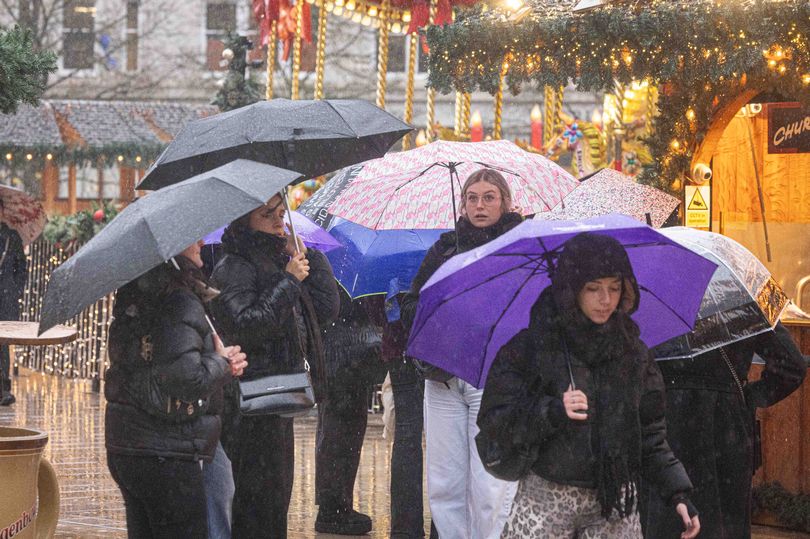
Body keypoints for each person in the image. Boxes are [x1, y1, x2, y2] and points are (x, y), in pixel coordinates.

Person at [478, 232, 700, 539]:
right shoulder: (532, 347)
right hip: (547, 498)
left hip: (615, 502)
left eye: (614, 287)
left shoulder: (633, 353)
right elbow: (497, 419)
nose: (605, 300)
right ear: (571, 291)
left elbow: (649, 433)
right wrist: (552, 411)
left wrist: (677, 494)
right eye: (593, 288)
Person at [401, 168, 522, 539]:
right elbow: (412, 305)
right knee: (445, 483)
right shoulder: (445, 248)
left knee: (490, 484)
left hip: (495, 377)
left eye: (489, 197)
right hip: (445, 376)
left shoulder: (517, 246)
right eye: (472, 197)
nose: (480, 205)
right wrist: (444, 308)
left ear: (504, 202)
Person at [210, 194, 339, 539]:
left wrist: (309, 261)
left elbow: (325, 309)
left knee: (275, 498)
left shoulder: (278, 259)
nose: (278, 222)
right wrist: (289, 281)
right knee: (255, 501)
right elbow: (245, 326)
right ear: (244, 221)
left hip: (278, 395)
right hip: (249, 402)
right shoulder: (234, 266)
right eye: (267, 215)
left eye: (281, 214)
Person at [105, 239, 246, 538]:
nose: (201, 242)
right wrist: (222, 364)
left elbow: (148, 362)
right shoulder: (177, 299)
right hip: (166, 449)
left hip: (129, 444)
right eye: (192, 236)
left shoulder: (136, 292)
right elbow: (185, 378)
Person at [641, 323, 806, 538]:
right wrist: (749, 397)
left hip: (665, 424)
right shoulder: (741, 299)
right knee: (726, 521)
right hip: (727, 425)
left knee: (666, 517)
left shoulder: (657, 304)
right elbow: (793, 365)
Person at [314, 288, 382, 535]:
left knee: (343, 428)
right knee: (341, 430)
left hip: (344, 354)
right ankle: (333, 507)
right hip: (344, 354)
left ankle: (337, 503)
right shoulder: (334, 269)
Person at [0, 198, 27, 406]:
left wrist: (15, 291)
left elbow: (21, 269)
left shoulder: (12, 237)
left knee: (3, 342)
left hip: (5, 297)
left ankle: (3, 387)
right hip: (7, 295)